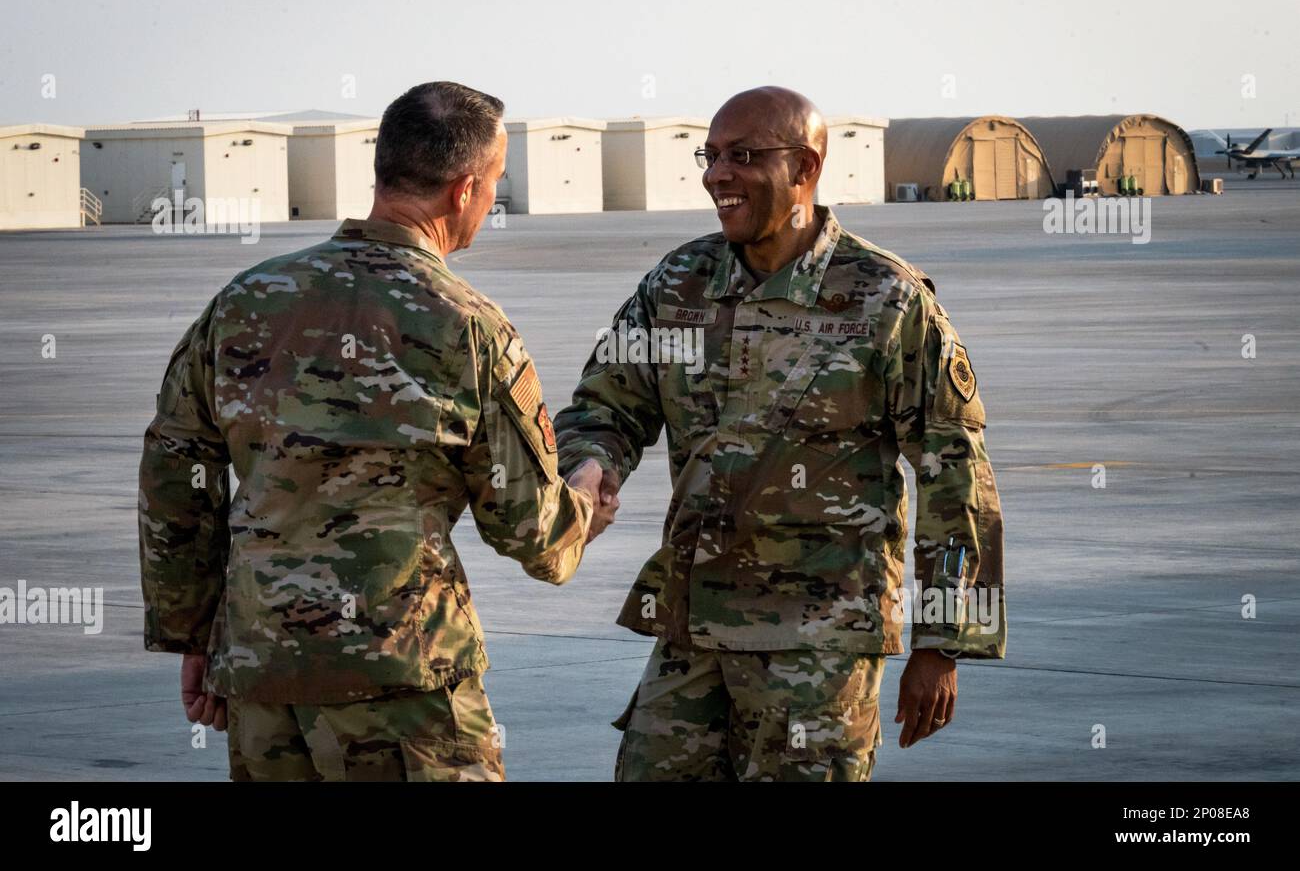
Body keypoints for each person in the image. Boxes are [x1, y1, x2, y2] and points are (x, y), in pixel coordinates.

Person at [138, 80, 616, 781]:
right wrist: (584, 500)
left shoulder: (244, 301)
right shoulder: (470, 327)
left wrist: (195, 632)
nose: (491, 203)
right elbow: (528, 529)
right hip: (404, 682)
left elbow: (174, 473)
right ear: (463, 192)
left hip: (263, 673)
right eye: (493, 187)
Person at [554, 86, 1006, 782]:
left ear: (805, 167)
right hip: (692, 624)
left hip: (819, 643)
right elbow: (605, 408)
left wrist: (942, 642)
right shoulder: (680, 285)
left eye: (743, 156)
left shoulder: (885, 300)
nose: (716, 174)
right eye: (711, 156)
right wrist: (588, 465)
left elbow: (956, 472)